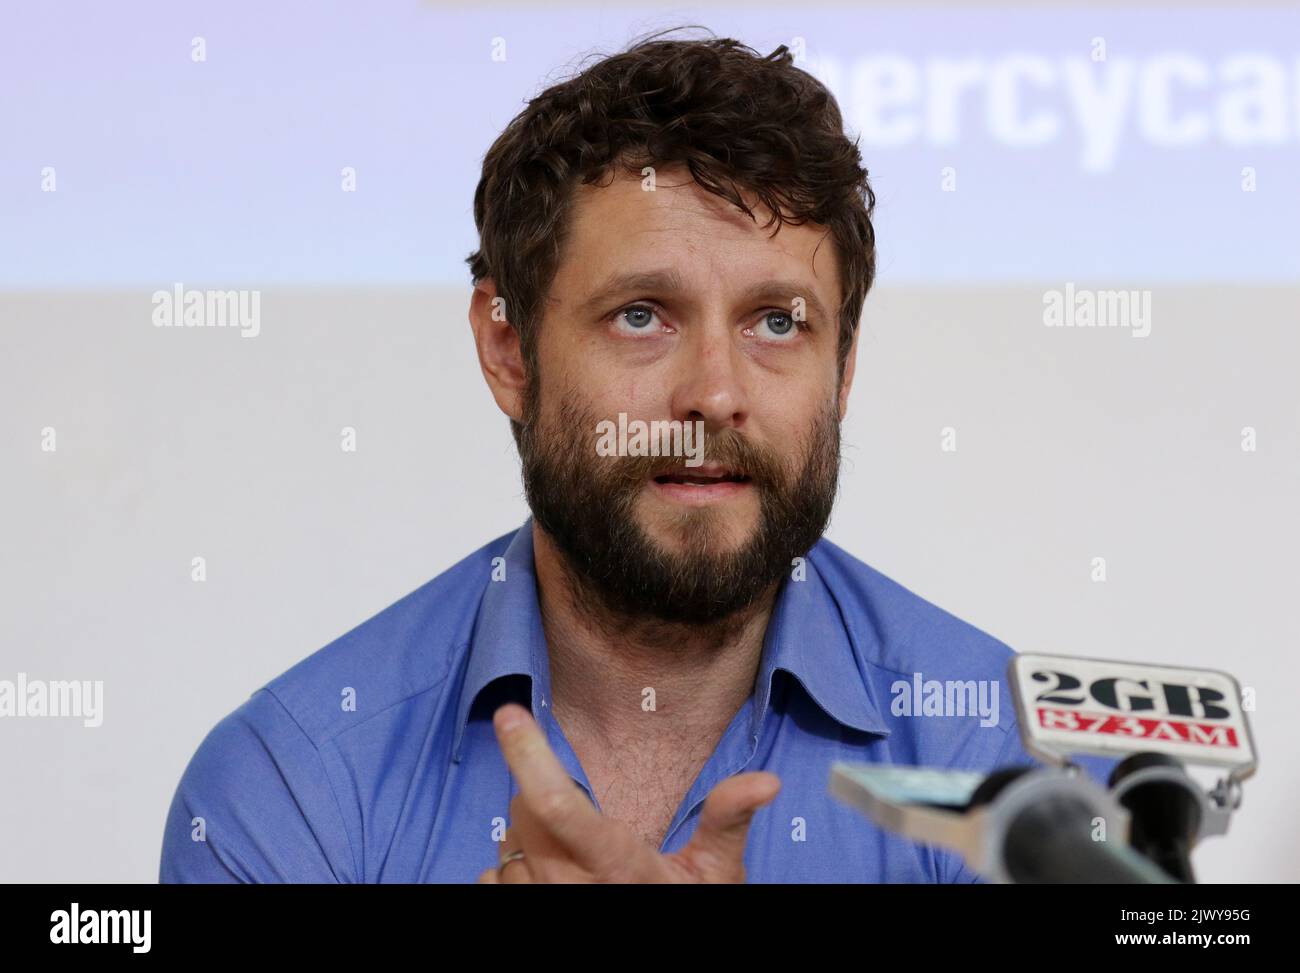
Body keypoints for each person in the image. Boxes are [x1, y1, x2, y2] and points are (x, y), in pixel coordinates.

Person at [160, 33, 1112, 884]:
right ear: (509, 351)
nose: (714, 393)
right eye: (642, 315)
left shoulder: (1021, 770)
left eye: (778, 321)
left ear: (844, 367)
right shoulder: (292, 788)